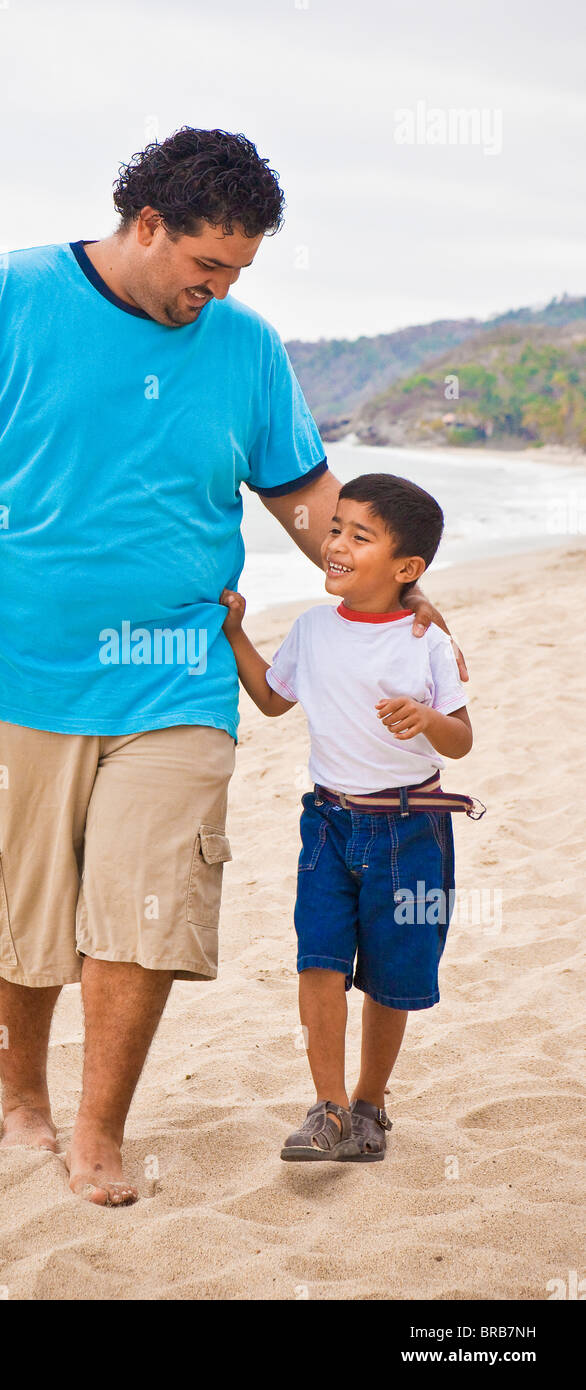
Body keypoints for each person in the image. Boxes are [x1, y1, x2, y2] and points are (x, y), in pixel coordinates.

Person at [0, 127, 466, 1206]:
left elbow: (301, 493)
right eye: (205, 265)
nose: (217, 290)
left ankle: (98, 1134)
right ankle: (23, 1107)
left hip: (176, 677)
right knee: (18, 902)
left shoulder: (243, 348)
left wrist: (381, 584)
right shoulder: (4, 294)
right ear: (144, 225)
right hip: (17, 670)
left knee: (148, 900)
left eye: (237, 272)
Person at [220, 473, 483, 1163]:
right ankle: (327, 1108)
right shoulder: (312, 629)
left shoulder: (425, 639)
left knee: (393, 975)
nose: (334, 545)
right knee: (320, 961)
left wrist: (426, 718)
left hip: (410, 832)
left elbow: (461, 737)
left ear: (408, 569)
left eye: (357, 537)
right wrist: (236, 635)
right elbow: (275, 700)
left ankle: (370, 1102)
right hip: (329, 827)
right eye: (334, 528)